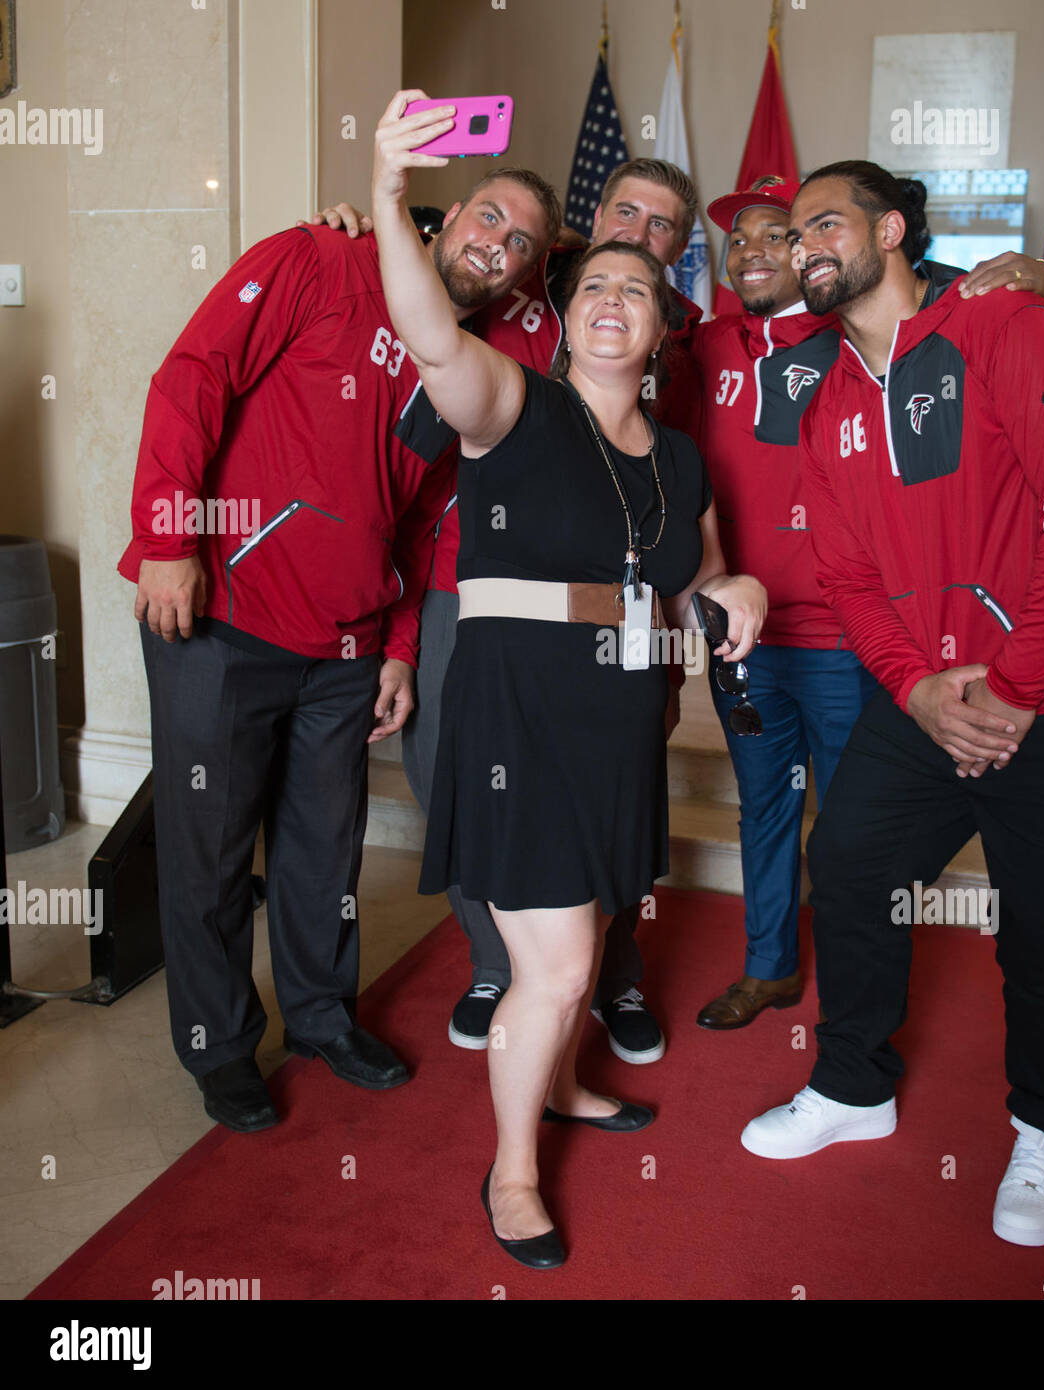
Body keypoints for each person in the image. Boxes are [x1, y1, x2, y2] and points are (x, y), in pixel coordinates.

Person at [740, 161, 1044, 1249]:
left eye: (826, 222)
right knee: (849, 860)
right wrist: (911, 685)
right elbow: (848, 577)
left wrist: (1016, 687)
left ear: (891, 230)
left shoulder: (1014, 332)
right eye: (790, 231)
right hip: (932, 687)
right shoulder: (825, 396)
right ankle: (853, 1084)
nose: (801, 243)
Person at [371, 92, 765, 1267]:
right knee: (552, 961)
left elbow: (696, 583)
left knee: (587, 933)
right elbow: (429, 332)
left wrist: (731, 596)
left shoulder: (680, 453)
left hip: (619, 710)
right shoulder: (512, 405)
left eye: (633, 290)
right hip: (520, 713)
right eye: (591, 285)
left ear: (660, 329)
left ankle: (568, 1082)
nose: (609, 301)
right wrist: (390, 194)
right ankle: (512, 1170)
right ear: (564, 314)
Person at [120, 166, 557, 1133]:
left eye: (523, 241)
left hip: (348, 644)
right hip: (222, 612)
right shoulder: (321, 256)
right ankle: (220, 1046)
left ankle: (321, 1017)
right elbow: (192, 379)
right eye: (491, 215)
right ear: (448, 217)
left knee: (326, 853)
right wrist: (166, 541)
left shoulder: (462, 365)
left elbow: (419, 525)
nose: (499, 242)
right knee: (212, 853)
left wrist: (399, 648)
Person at [312, 156, 706, 1062]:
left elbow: (678, 527)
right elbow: (414, 486)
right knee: (467, 781)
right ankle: (504, 966)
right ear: (588, 224)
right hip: (475, 597)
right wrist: (377, 220)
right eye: (625, 215)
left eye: (659, 232)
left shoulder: (666, 333)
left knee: (607, 802)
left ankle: (606, 976)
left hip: (622, 617)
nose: (636, 238)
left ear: (677, 261)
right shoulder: (510, 306)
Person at [691, 176, 1044, 1030]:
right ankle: (769, 967)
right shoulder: (703, 345)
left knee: (860, 828)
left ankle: (856, 1001)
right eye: (740, 238)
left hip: (843, 636)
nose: (757, 249)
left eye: (781, 233)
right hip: (740, 642)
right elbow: (590, 311)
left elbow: (961, 300)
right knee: (766, 806)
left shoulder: (861, 332)